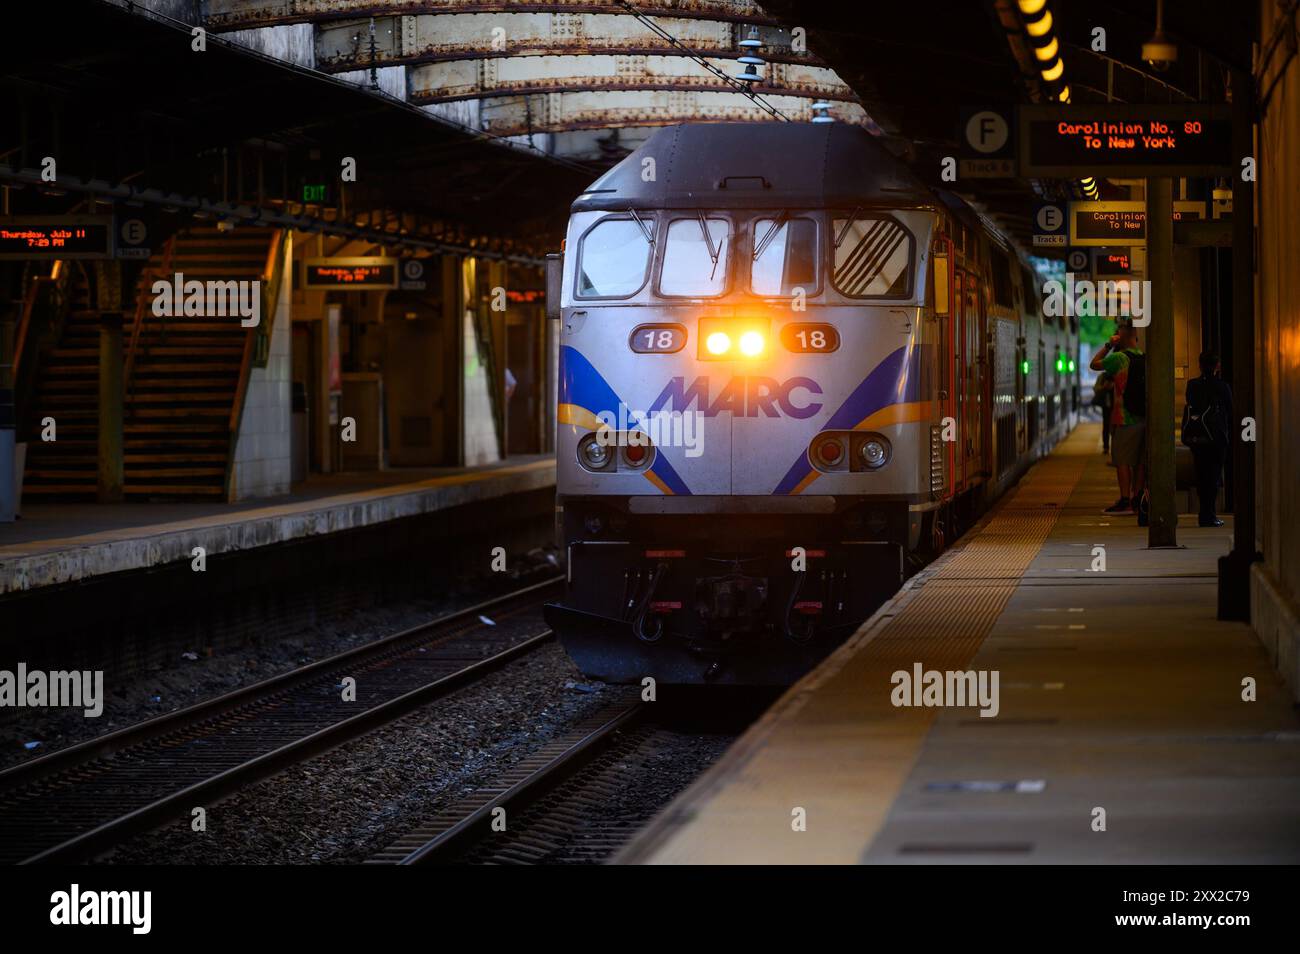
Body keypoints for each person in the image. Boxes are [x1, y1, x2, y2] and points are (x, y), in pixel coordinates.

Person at [1088, 321, 1145, 515]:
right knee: (1139, 462)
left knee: (1121, 460)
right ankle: (1138, 499)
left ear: (1121, 337)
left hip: (1125, 417)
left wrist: (1108, 345)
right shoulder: (1145, 357)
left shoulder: (1120, 358)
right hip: (1144, 418)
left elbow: (1094, 364)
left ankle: (1125, 500)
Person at [1183, 350, 1233, 527]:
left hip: (1197, 436)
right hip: (1216, 438)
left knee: (1201, 475)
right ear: (1217, 366)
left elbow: (1190, 403)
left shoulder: (1192, 385)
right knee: (1213, 476)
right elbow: (1229, 409)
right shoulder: (1222, 386)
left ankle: (1204, 513)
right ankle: (1208, 514)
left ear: (1199, 365)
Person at [1090, 371, 1115, 454]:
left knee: (1113, 427)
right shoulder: (1103, 376)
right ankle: (1106, 447)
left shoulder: (1117, 374)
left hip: (1116, 405)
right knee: (1106, 425)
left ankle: (1112, 447)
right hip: (1106, 404)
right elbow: (1095, 388)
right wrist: (1104, 387)